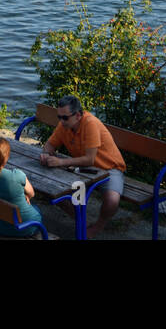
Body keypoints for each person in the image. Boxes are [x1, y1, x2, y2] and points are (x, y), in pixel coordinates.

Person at [38, 94, 127, 237]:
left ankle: (98, 226)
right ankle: (83, 221)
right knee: (57, 192)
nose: (61, 121)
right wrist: (46, 154)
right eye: (59, 117)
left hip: (109, 168)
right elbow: (49, 145)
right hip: (83, 170)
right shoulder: (64, 125)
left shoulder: (90, 124)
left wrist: (61, 162)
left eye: (65, 117)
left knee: (112, 201)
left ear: (78, 115)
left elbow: (90, 159)